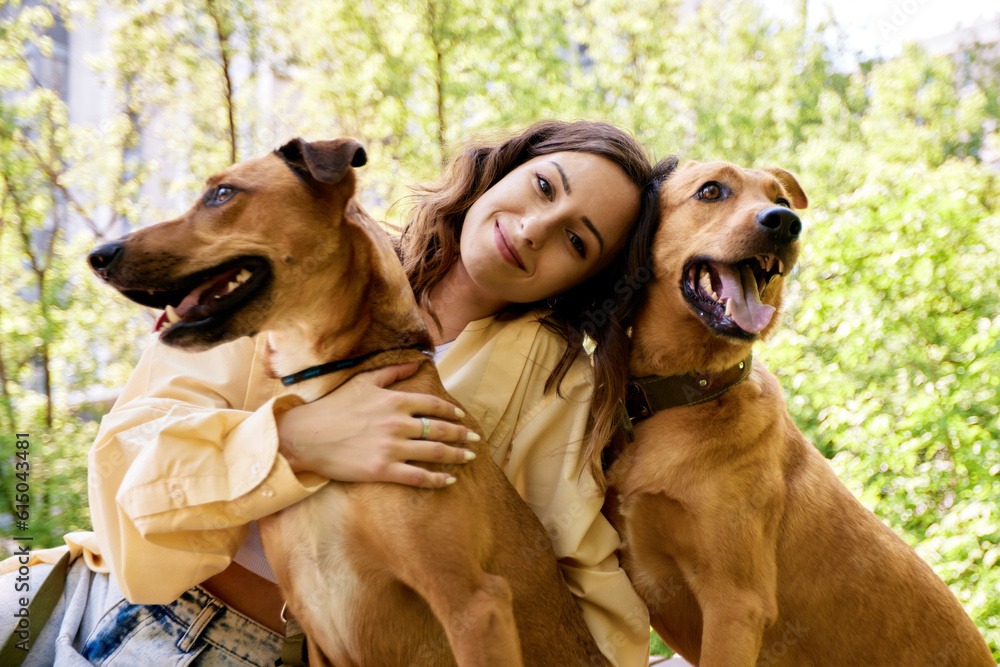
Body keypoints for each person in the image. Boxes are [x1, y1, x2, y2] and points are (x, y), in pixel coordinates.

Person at [1, 119, 668, 666]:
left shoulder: (556, 384)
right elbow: (127, 461)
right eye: (543, 187)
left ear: (581, 282)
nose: (531, 229)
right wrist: (298, 442)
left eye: (576, 241)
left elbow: (582, 587)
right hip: (119, 608)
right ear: (500, 169)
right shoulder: (297, 255)